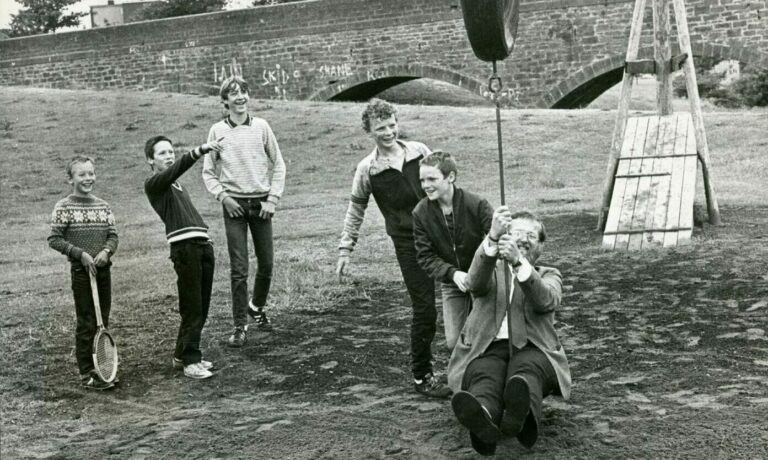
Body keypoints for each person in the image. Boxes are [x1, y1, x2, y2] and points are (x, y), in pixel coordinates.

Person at [336, 98, 450, 399]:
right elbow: (355, 209)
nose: (388, 132)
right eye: (380, 128)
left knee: (467, 290)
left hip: (440, 231)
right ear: (369, 131)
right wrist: (345, 249)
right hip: (408, 243)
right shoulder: (368, 169)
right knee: (425, 308)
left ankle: (477, 364)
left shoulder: (419, 151)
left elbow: (444, 187)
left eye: (391, 125)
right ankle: (422, 375)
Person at [447, 208, 571, 455]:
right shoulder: (489, 269)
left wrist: (518, 263)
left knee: (525, 374)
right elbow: (474, 283)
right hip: (487, 347)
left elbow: (545, 300)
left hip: (533, 349)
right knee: (486, 374)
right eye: (516, 233)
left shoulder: (549, 274)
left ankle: (522, 418)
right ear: (506, 237)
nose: (524, 239)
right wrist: (492, 238)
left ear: (541, 246)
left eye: (531, 236)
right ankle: (483, 418)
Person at [203, 76, 286, 348]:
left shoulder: (261, 126)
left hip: (261, 204)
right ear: (224, 101)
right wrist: (224, 197)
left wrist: (272, 199)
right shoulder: (217, 130)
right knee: (239, 269)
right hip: (234, 207)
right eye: (233, 94)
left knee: (267, 264)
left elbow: (280, 165)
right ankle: (240, 326)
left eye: (244, 93)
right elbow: (208, 172)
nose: (240, 98)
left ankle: (257, 306)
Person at [145, 135, 224, 379]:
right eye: (162, 154)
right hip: (184, 248)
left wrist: (206, 239)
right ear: (150, 161)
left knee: (201, 305)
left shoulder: (178, 186)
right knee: (192, 307)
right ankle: (191, 361)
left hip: (201, 244)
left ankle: (181, 356)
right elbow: (178, 167)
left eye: (171, 151)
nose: (168, 156)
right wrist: (199, 151)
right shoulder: (154, 183)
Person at [48, 156, 119, 391]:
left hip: (103, 269)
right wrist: (80, 254)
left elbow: (113, 235)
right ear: (70, 179)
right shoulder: (64, 206)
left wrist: (106, 252)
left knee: (102, 319)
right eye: (82, 174)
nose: (88, 178)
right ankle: (88, 372)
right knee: (87, 321)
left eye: (91, 173)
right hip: (81, 271)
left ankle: (104, 366)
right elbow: (55, 239)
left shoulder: (103, 205)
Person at [412, 151, 493, 351]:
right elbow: (425, 256)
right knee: (455, 343)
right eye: (422, 180)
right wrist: (452, 273)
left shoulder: (476, 203)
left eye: (432, 179)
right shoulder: (420, 213)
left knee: (489, 337)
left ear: (451, 177)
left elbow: (497, 236)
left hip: (484, 279)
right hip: (452, 283)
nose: (426, 185)